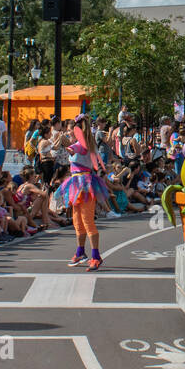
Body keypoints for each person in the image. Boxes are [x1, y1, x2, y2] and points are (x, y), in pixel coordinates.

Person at [54, 115, 105, 269]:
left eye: (70, 130)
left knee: (87, 220)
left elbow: (69, 149)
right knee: (78, 221)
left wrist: (62, 142)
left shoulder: (81, 145)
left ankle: (96, 256)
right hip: (77, 184)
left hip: (84, 184)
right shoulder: (87, 144)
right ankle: (80, 252)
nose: (68, 132)